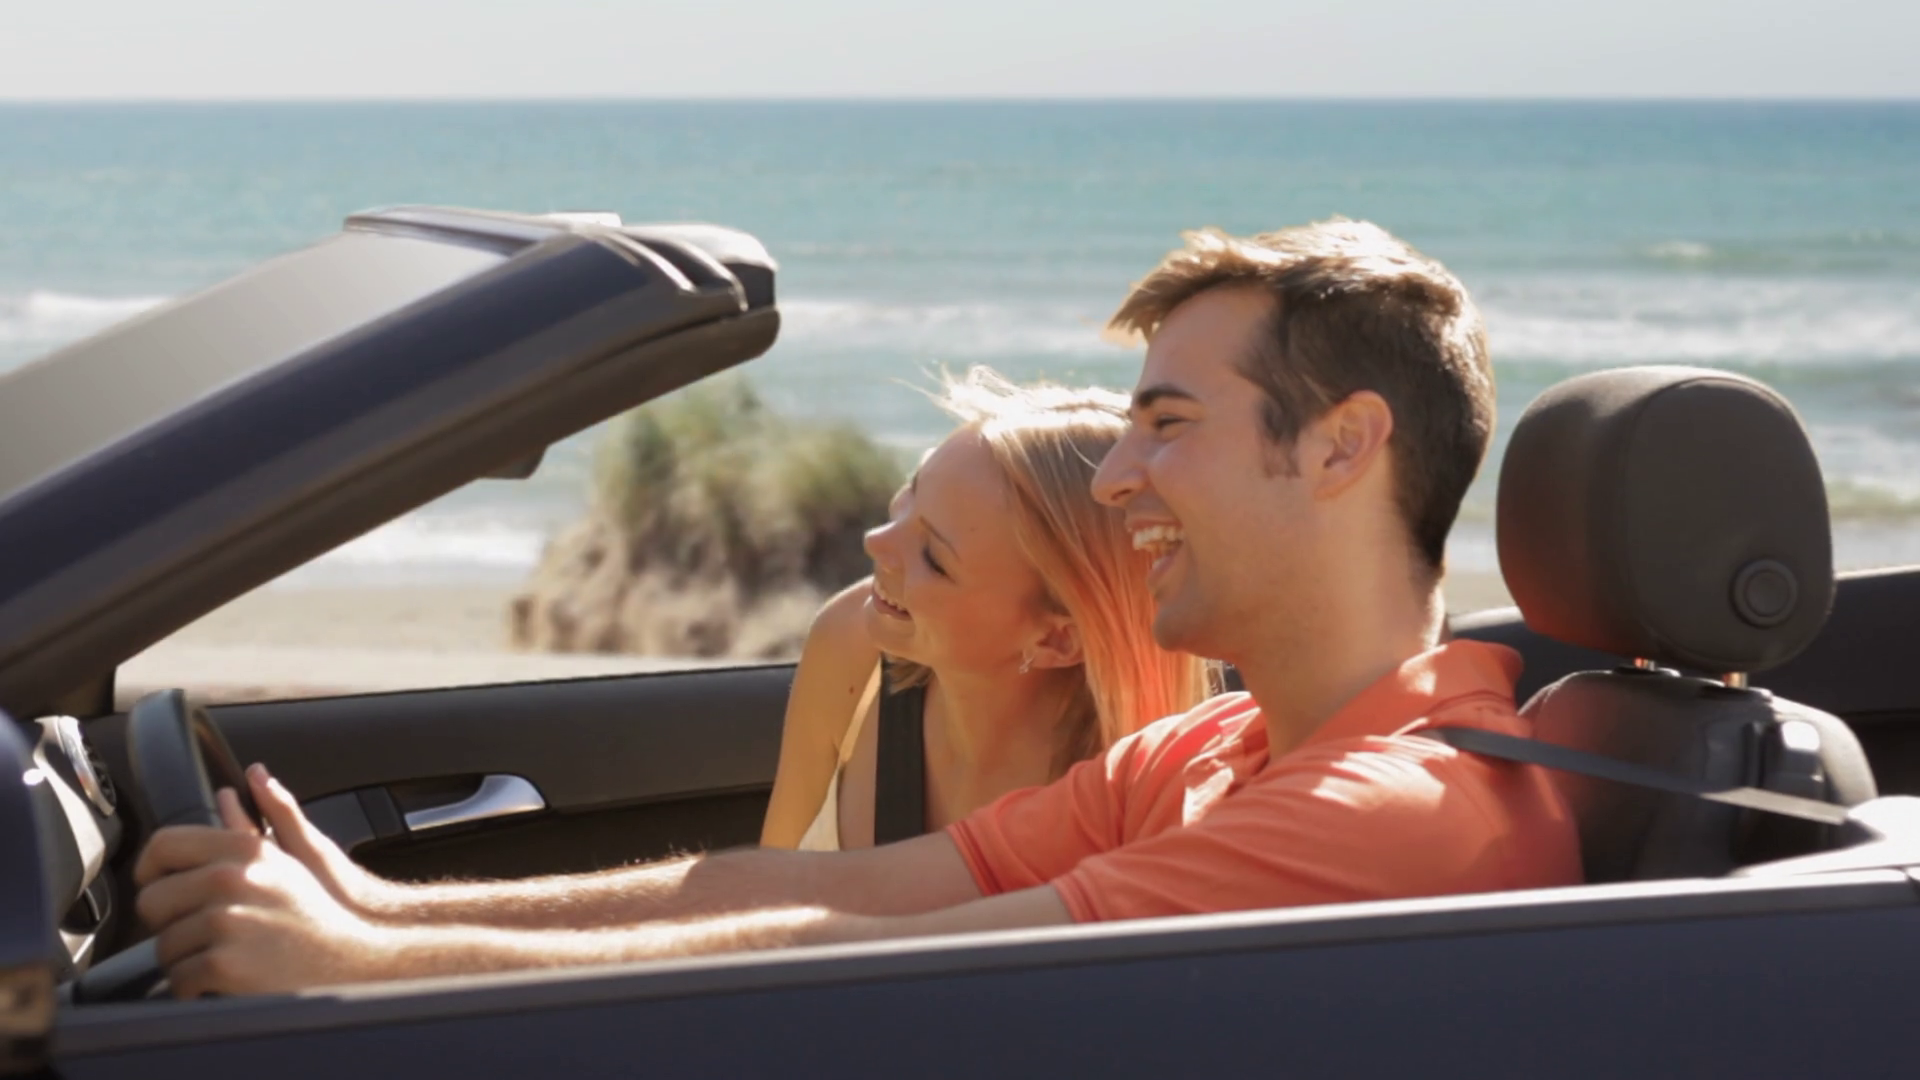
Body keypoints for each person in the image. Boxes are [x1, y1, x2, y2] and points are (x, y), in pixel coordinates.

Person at [132, 219, 1583, 997]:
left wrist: (371, 967)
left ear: (1342, 446)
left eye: (1169, 425)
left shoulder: (1388, 808)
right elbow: (824, 887)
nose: (1123, 473)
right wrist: (381, 909)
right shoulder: (1212, 757)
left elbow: (880, 966)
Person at [761, 368, 1212, 851]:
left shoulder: (1135, 817)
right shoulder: (854, 641)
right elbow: (767, 893)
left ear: (1056, 639)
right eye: (913, 493)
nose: (876, 543)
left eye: (934, 559)